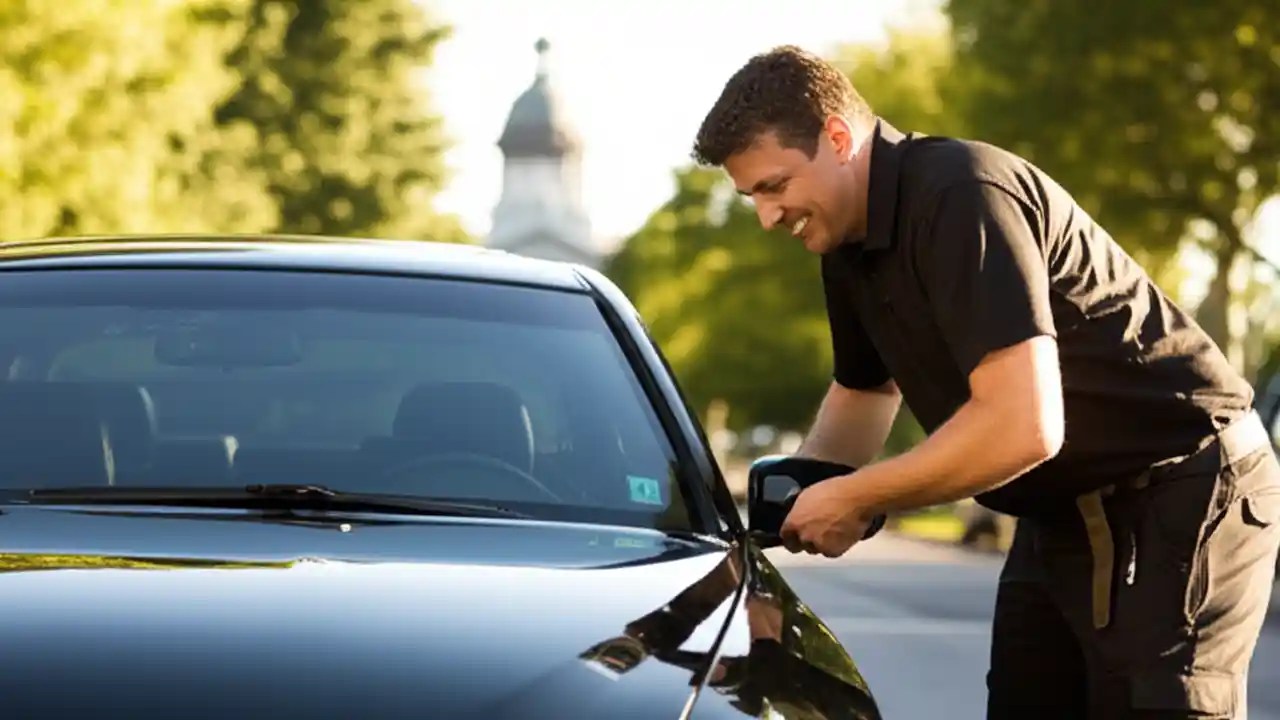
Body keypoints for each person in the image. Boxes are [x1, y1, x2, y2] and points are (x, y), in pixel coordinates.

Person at [691, 45, 1280, 719]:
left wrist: (859, 496)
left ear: (837, 137)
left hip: (1184, 485)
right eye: (751, 198)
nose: (767, 216)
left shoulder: (962, 193)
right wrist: (764, 545)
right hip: (1056, 511)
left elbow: (1022, 425)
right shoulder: (846, 247)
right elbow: (863, 394)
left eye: (774, 186)